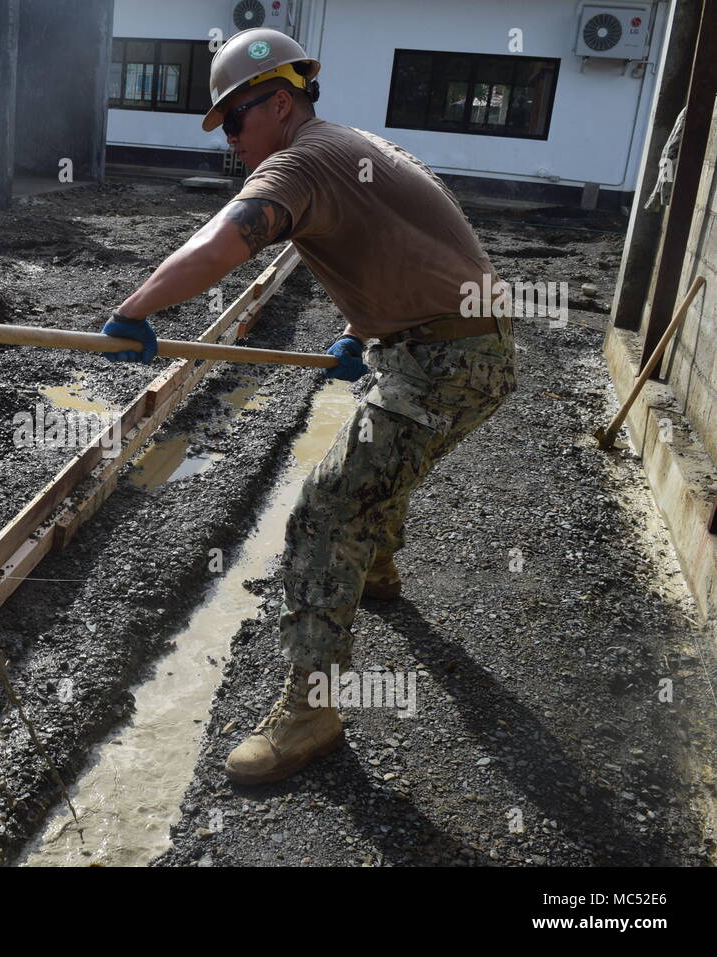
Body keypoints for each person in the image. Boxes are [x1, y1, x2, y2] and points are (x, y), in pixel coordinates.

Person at [102, 27, 517, 785]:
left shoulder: (303, 160)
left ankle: (311, 710)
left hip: (446, 358)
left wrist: (135, 310)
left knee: (325, 510)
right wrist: (365, 331)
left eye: (234, 120)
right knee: (375, 458)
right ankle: (378, 567)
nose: (230, 140)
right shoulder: (348, 148)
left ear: (281, 102)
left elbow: (222, 242)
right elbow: (399, 243)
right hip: (452, 344)